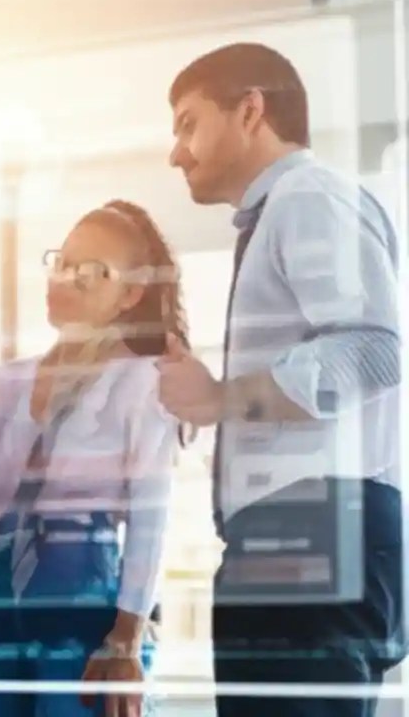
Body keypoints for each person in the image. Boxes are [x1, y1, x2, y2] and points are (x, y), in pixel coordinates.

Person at [158, 43, 404, 717]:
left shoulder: (309, 196)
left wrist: (219, 399)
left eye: (187, 123)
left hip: (313, 531)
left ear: (250, 110)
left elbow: (376, 351)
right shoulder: (288, 209)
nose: (175, 152)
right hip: (294, 533)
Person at [0, 201, 182, 717]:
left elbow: (150, 515)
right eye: (62, 263)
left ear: (130, 294)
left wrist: (126, 639)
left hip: (85, 593)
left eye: (92, 271)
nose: (67, 278)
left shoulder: (144, 380)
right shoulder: (5, 383)